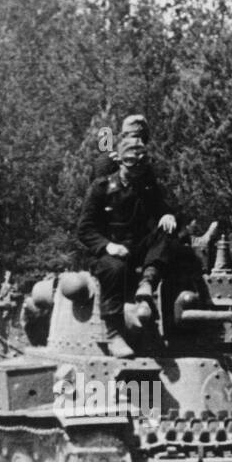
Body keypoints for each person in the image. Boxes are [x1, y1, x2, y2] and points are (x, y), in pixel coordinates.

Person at [77, 133, 181, 357]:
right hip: (107, 252)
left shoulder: (146, 189)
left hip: (137, 249)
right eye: (130, 161)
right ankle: (114, 332)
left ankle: (147, 282)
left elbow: (162, 208)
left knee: (168, 233)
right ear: (121, 161)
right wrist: (108, 246)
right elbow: (84, 230)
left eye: (141, 162)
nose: (136, 167)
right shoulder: (101, 188)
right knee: (115, 269)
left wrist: (166, 215)